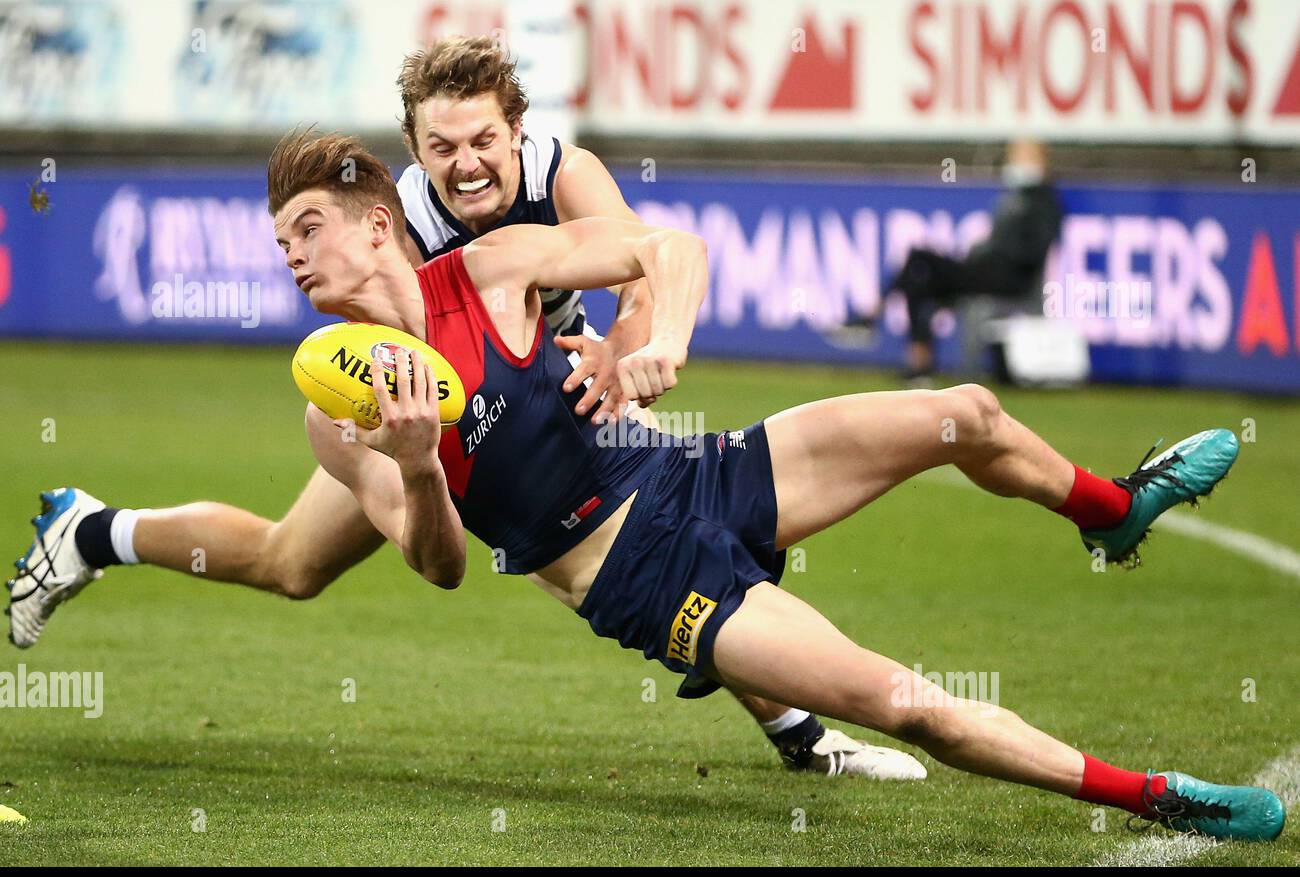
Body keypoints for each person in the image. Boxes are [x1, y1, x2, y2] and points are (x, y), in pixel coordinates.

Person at [274, 129, 1280, 840]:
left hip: (693, 471)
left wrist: (658, 336)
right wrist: (414, 462)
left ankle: (1109, 513)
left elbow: (672, 247)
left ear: (374, 225)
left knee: (963, 411)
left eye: (306, 227)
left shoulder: (492, 267)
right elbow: (439, 566)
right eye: (282, 244)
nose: (292, 256)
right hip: (644, 574)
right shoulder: (337, 412)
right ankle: (1157, 795)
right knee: (908, 702)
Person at [4, 36, 922, 782]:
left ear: (515, 131)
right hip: (427, 412)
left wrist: (623, 347)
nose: (466, 163)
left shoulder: (563, 176)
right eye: (441, 148)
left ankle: (90, 531)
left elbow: (647, 262)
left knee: (618, 531)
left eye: (483, 141)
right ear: (416, 152)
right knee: (324, 560)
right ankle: (94, 533)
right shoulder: (403, 220)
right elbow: (374, 311)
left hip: (546, 391)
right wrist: (402, 441)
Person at [843, 139, 1063, 387]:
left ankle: (873, 318)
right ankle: (920, 366)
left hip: (1008, 281)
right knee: (918, 278)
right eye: (1015, 157)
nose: (1017, 164)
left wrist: (992, 251)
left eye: (1025, 157)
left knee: (920, 257)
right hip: (987, 273)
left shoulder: (1045, 201)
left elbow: (1029, 252)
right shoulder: (1012, 198)